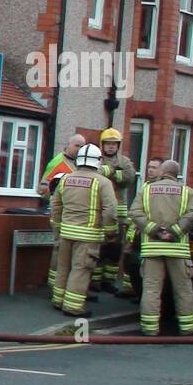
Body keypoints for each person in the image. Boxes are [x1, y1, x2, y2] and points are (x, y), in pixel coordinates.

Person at [130, 159, 193, 336]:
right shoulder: (187, 192)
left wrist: (155, 231)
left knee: (151, 289)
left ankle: (149, 328)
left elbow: (135, 213)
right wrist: (174, 232)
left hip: (152, 248)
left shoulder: (146, 190)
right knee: (183, 289)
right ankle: (189, 328)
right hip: (178, 250)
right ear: (177, 174)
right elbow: (192, 215)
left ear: (162, 172)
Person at [50, 143, 117, 317]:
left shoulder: (65, 179)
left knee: (63, 267)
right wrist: (111, 232)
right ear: (98, 162)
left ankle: (58, 300)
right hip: (88, 235)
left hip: (65, 233)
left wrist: (57, 227)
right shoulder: (103, 182)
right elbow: (110, 210)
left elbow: (55, 205)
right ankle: (72, 306)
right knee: (80, 269)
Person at [41, 134, 87, 293]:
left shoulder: (78, 164)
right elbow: (42, 189)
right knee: (60, 249)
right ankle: (55, 286)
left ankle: (67, 286)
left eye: (82, 146)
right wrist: (57, 195)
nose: (80, 149)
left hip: (74, 214)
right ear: (68, 145)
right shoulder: (57, 162)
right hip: (60, 213)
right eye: (77, 146)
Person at [96, 128, 136, 295]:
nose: (111, 147)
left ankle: (109, 280)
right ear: (102, 145)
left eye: (114, 144)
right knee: (99, 246)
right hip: (100, 210)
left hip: (118, 213)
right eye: (108, 144)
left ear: (118, 146)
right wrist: (112, 173)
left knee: (115, 248)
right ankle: (95, 281)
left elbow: (129, 178)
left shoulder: (125, 161)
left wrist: (110, 172)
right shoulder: (97, 159)